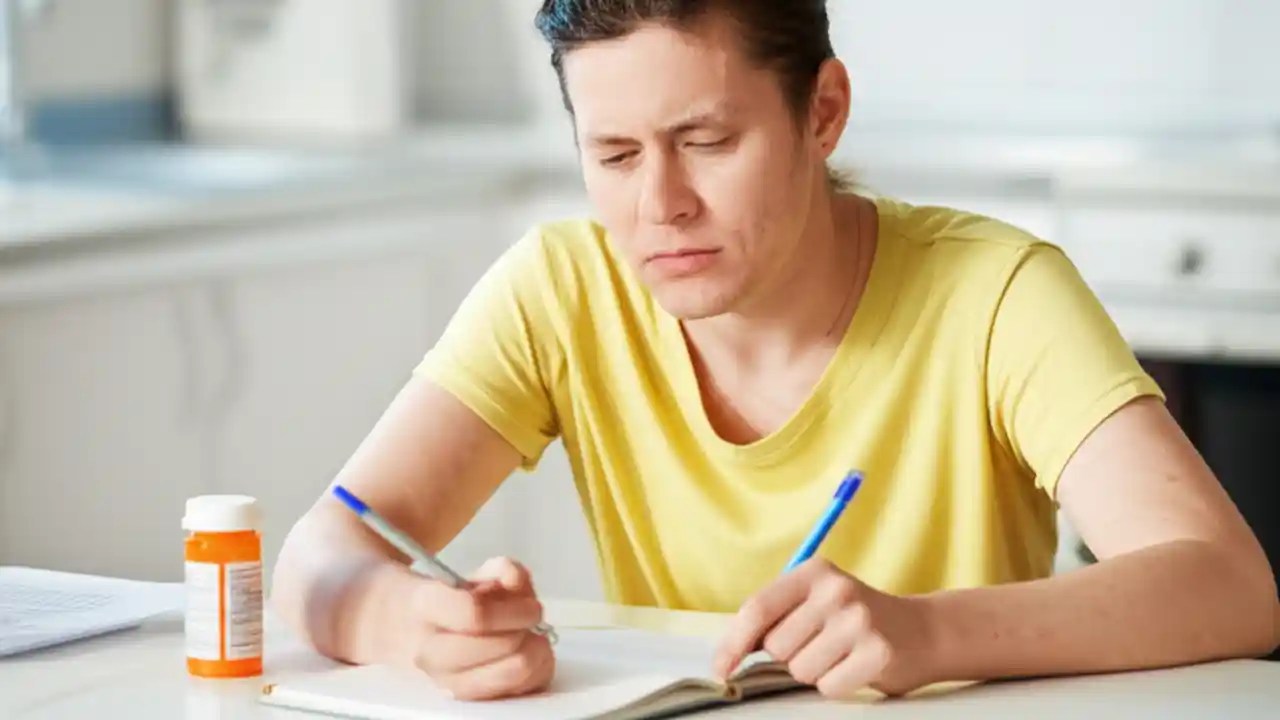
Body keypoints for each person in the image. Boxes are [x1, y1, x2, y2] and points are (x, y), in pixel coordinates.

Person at [270, 0, 1279, 703]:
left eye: (706, 141)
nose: (659, 204)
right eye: (613, 155)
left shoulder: (996, 293)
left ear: (822, 112)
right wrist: (413, 625)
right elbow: (320, 552)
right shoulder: (559, 289)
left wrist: (926, 633)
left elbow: (1230, 588)